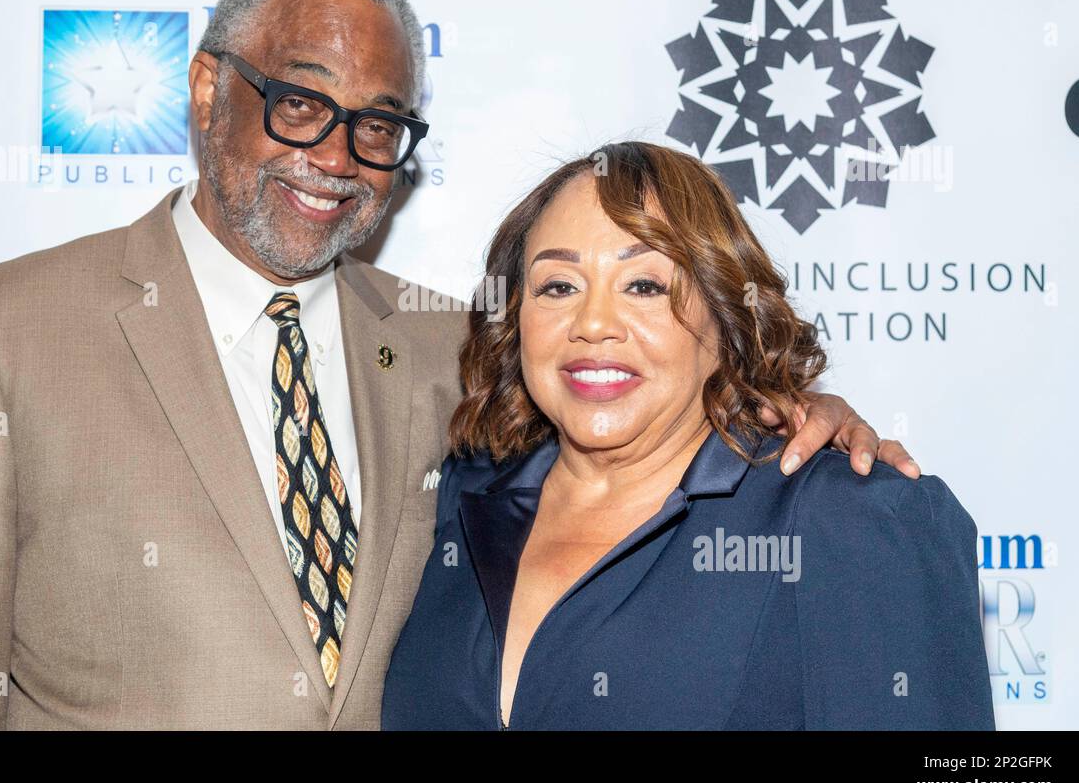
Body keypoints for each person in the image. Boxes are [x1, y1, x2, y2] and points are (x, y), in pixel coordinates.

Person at [0, 0, 918, 731]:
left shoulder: (451, 345)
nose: (336, 155)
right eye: (299, 103)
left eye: (378, 125)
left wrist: (790, 410)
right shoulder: (2, 329)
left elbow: (638, 415)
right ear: (210, 88)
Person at [382, 141, 993, 730]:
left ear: (726, 316)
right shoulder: (460, 496)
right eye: (558, 287)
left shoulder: (851, 518)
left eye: (644, 286)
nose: (592, 324)